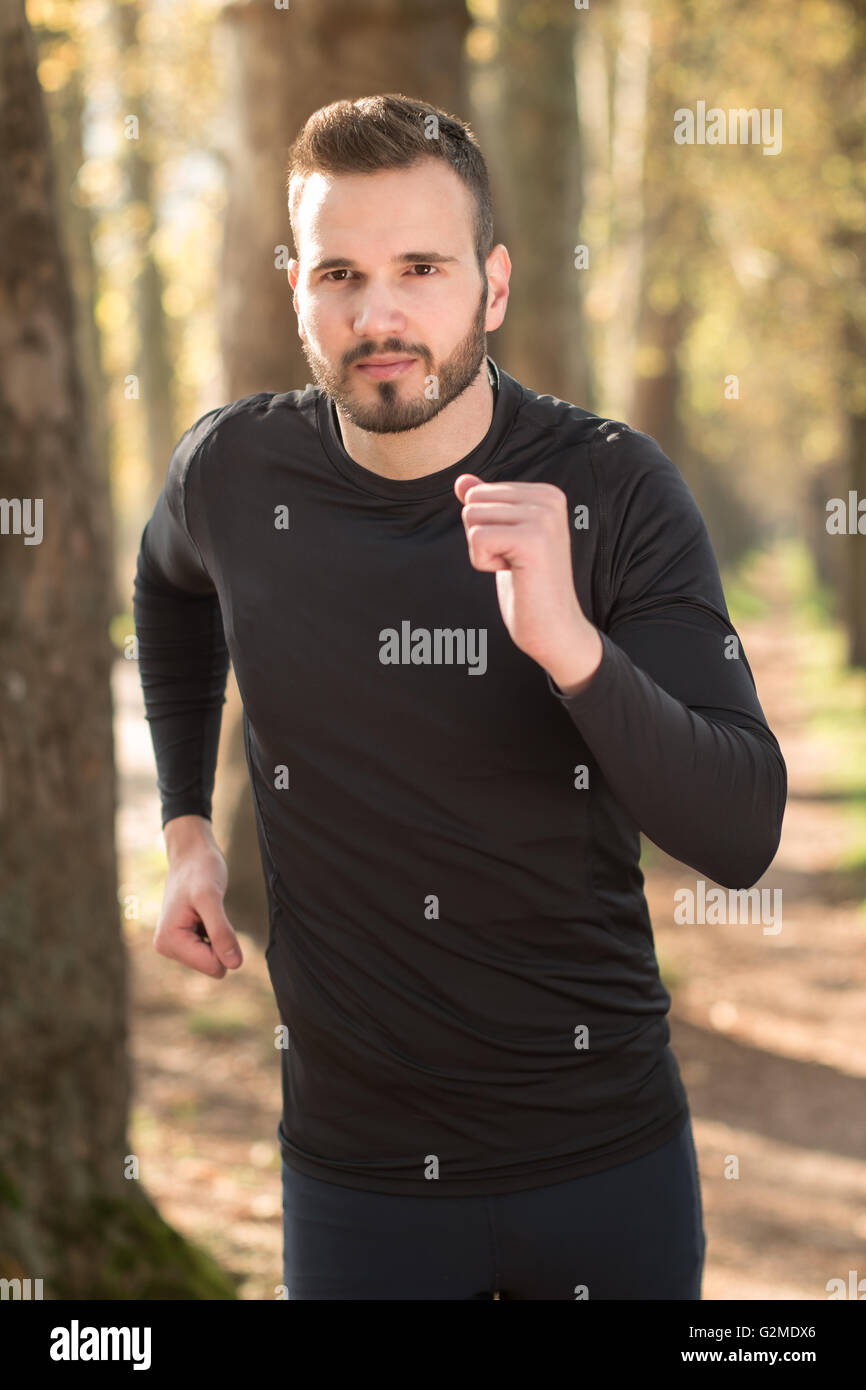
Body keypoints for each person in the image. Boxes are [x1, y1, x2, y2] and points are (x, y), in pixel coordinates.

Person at [132, 93, 786, 1301]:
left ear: (490, 287)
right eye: (340, 272)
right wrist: (184, 832)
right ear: (296, 291)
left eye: (419, 268)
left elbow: (740, 833)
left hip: (605, 1168)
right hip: (355, 1188)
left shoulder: (610, 486)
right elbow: (167, 591)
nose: (378, 315)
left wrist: (573, 651)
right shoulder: (234, 471)